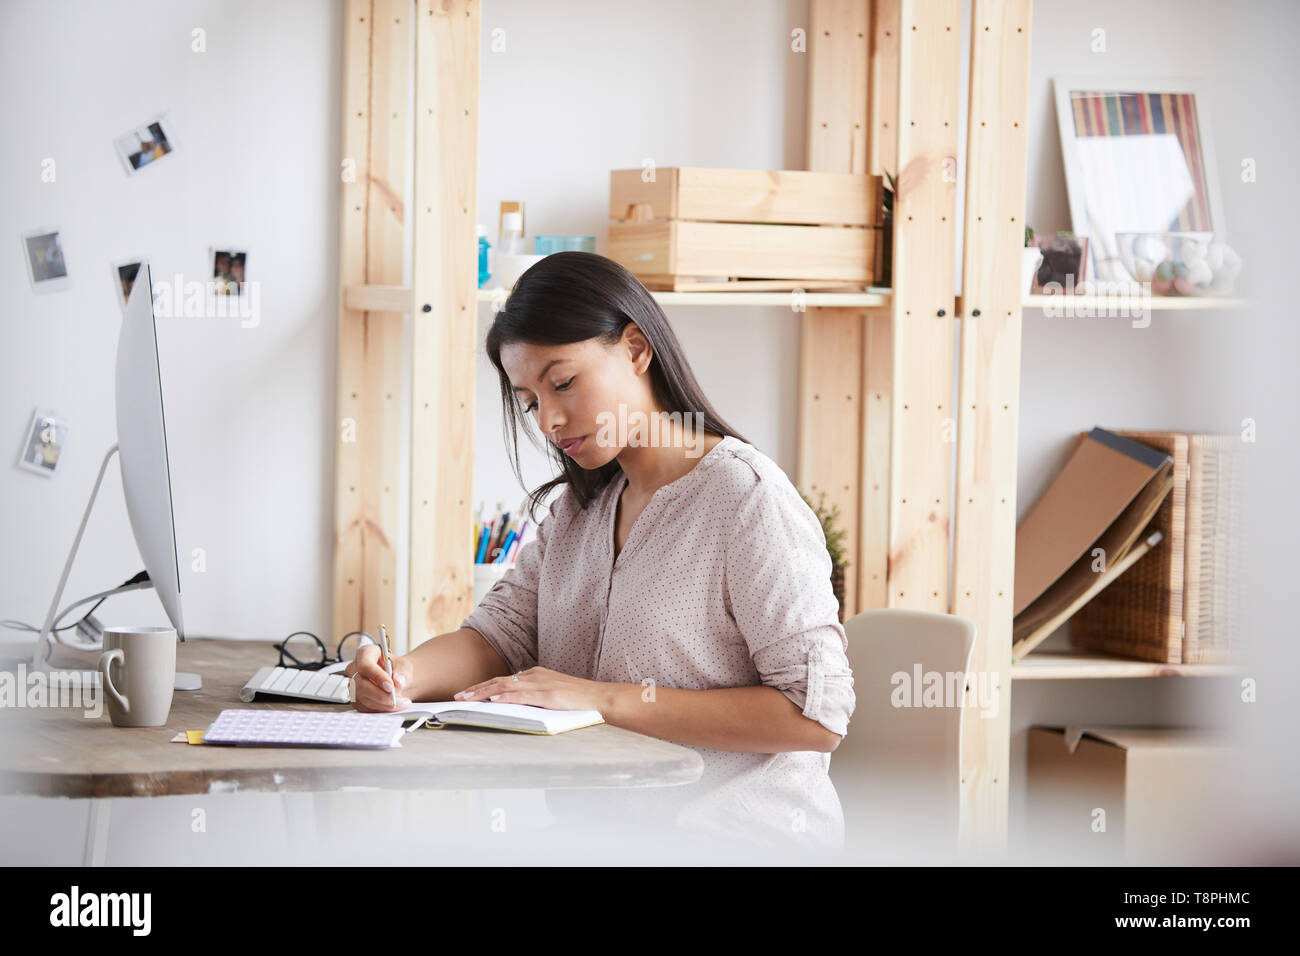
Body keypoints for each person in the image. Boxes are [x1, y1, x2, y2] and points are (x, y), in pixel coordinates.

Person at [347, 252, 855, 858]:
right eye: (531, 401)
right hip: (604, 840)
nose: (550, 421)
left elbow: (815, 717)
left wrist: (601, 698)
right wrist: (402, 675)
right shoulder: (581, 508)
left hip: (734, 843)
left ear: (637, 349)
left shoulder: (747, 500)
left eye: (563, 382)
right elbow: (500, 637)